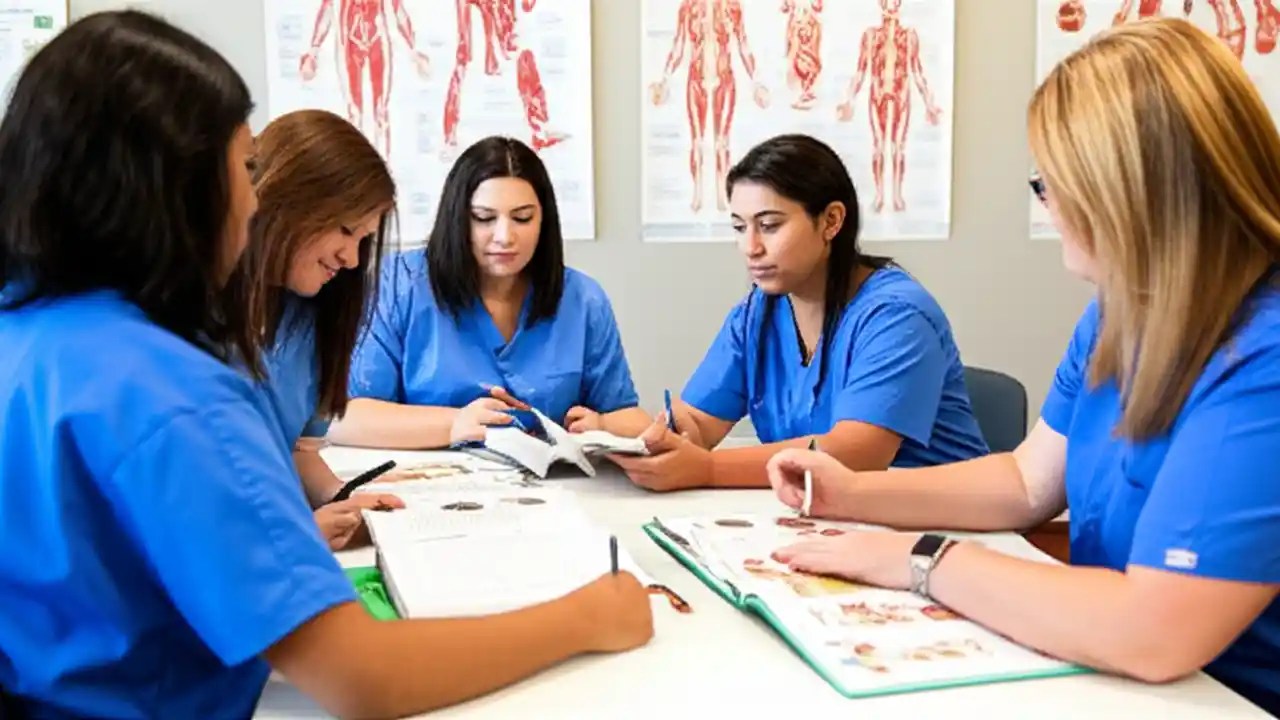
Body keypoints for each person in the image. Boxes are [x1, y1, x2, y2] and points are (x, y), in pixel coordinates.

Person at [0, 11, 652, 718]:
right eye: (245, 167)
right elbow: (364, 677)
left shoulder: (33, 329)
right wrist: (588, 616)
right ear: (173, 184)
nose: (256, 198)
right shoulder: (174, 392)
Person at [762, 19, 1280, 716]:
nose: (1048, 204)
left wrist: (920, 559)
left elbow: (1155, 630)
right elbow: (1027, 480)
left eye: (1052, 183)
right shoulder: (1122, 310)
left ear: (1129, 193)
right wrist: (850, 494)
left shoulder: (1263, 353)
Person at [610, 133, 988, 492]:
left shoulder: (897, 317)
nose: (750, 247)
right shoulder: (756, 315)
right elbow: (699, 421)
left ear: (831, 221)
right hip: (831, 517)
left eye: (769, 226)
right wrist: (665, 438)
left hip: (942, 527)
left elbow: (857, 453)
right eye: (740, 228)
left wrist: (706, 468)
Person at [328, 136, 650, 449]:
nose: (504, 236)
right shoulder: (400, 283)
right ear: (457, 219)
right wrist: (456, 424)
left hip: (554, 492)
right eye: (483, 218)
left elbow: (628, 416)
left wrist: (603, 426)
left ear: (544, 221)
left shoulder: (582, 299)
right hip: (428, 490)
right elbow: (346, 418)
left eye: (523, 218)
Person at [224, 108, 404, 550]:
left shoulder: (314, 315)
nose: (352, 260)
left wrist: (339, 498)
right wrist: (292, 538)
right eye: (346, 231)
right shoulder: (190, 317)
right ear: (282, 201)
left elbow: (297, 450)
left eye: (363, 239)